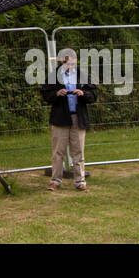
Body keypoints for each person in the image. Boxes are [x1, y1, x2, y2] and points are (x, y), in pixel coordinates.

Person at [41, 51, 97, 191]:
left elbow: (93, 94)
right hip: (60, 118)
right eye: (67, 63)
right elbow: (45, 94)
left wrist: (83, 94)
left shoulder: (82, 76)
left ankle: (80, 182)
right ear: (61, 62)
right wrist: (56, 94)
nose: (69, 65)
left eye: (72, 63)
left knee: (78, 152)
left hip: (78, 117)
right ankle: (55, 181)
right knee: (58, 152)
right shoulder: (54, 76)